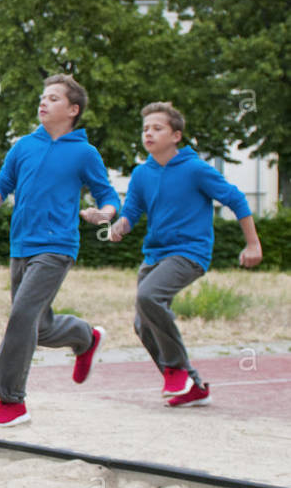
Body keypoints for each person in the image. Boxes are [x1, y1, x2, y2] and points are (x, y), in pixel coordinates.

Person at [0, 75, 121, 427]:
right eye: (42, 97)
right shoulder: (23, 146)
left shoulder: (84, 152)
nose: (43, 102)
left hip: (57, 247)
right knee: (40, 324)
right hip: (20, 246)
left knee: (21, 318)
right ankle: (85, 337)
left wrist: (106, 214)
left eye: (53, 98)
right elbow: (2, 185)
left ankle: (11, 401)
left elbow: (108, 195)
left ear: (72, 110)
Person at [109, 101, 262, 407]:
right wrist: (116, 226)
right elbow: (132, 213)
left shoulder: (195, 170)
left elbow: (236, 199)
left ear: (176, 135)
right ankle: (192, 384)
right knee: (142, 324)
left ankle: (176, 369)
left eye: (157, 128)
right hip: (154, 255)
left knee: (149, 297)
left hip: (189, 252)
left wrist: (253, 244)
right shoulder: (141, 174)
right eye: (145, 129)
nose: (148, 133)